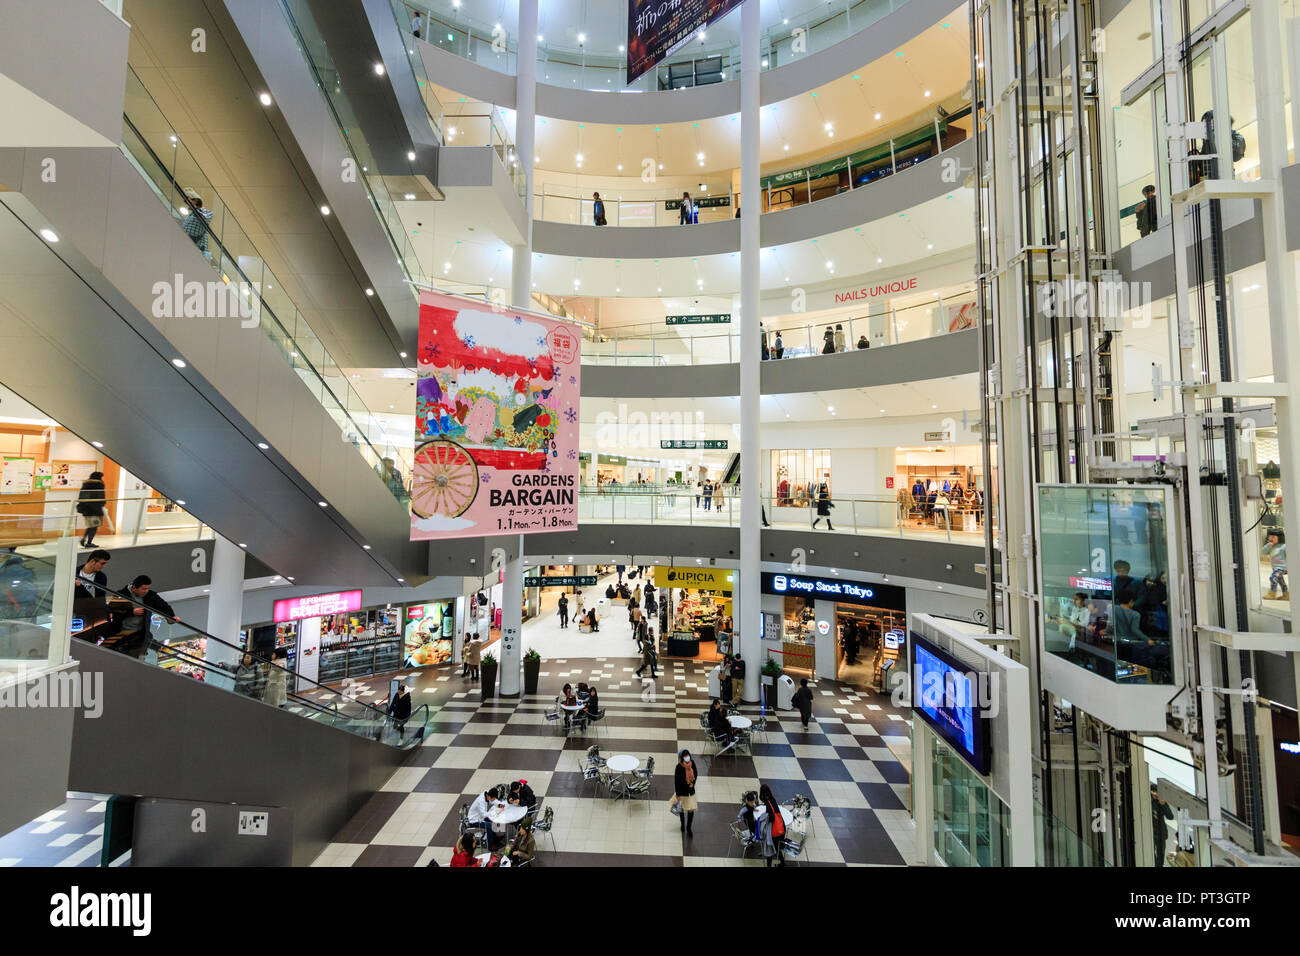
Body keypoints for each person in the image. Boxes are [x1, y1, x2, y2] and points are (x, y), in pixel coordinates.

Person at [105, 574, 179, 659]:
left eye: (148, 588)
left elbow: (163, 605)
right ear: (134, 588)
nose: (146, 591)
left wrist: (171, 616)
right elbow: (113, 609)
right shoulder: (121, 595)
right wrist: (131, 612)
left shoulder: (149, 596)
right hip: (123, 634)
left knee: (138, 655)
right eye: (143, 589)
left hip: (140, 634)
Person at [76, 471, 107, 547]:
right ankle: (88, 542)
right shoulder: (99, 485)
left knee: (90, 525)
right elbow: (101, 498)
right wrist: (102, 504)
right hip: (96, 509)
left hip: (86, 509)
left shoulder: (85, 484)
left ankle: (84, 539)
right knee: (94, 526)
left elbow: (81, 497)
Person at [758, 783, 787, 866]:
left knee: (770, 848)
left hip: (775, 831)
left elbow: (772, 818)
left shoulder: (767, 803)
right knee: (777, 847)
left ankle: (769, 865)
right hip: (781, 828)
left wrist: (766, 816)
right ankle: (782, 863)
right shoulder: (772, 799)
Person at [180, 190, 214, 259]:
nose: (187, 203)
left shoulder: (207, 213)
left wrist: (195, 208)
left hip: (200, 251)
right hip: (187, 249)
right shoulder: (189, 216)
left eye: (188, 201)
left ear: (195, 201)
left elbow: (205, 218)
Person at [673, 749, 698, 836]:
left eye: (687, 755)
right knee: (682, 810)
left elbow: (696, 773)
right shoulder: (679, 767)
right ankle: (682, 824)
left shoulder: (693, 763)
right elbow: (676, 781)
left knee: (691, 810)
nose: (687, 757)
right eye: (685, 756)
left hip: (690, 792)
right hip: (682, 793)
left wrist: (693, 783)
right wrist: (678, 794)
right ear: (681, 757)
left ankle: (689, 827)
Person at [1151, 783, 1173, 867]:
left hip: (1160, 833)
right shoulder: (1148, 802)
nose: (1156, 795)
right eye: (1155, 792)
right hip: (1151, 833)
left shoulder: (1161, 802)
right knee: (1151, 853)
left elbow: (1170, 816)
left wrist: (1164, 804)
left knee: (1161, 855)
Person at [1263, 530, 1288, 601]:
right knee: (1281, 582)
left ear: (1279, 537)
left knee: (1273, 578)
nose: (1270, 538)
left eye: (1273, 537)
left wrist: (1288, 568)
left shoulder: (1284, 546)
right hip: (1275, 567)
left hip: (1281, 568)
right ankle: (1286, 595)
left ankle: (1272, 594)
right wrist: (1268, 546)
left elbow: (1288, 557)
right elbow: (1264, 552)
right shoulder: (1271, 546)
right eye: (1270, 537)